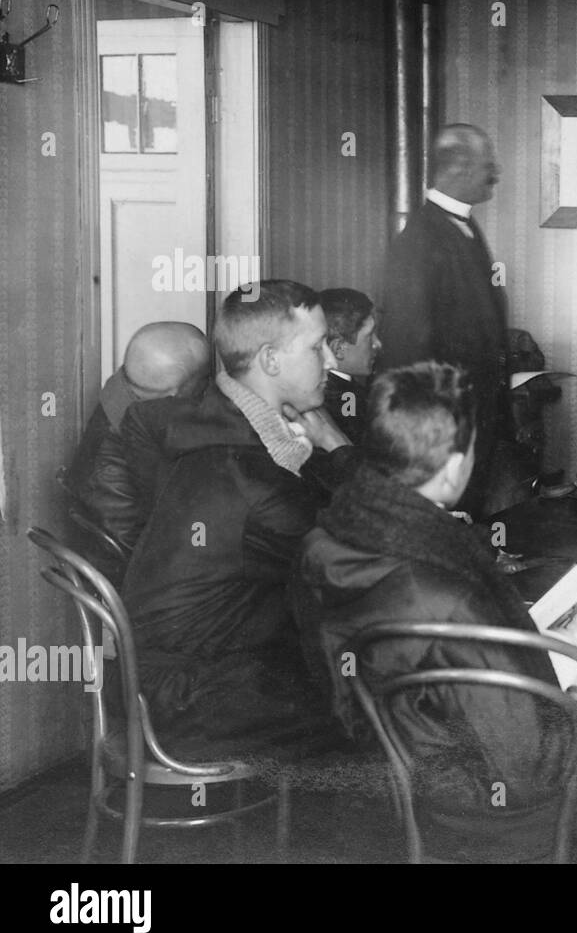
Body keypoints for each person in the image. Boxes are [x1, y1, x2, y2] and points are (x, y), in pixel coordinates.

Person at [291, 361, 564, 811]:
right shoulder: (450, 595)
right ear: (455, 467)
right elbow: (528, 767)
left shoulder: (320, 541)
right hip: (471, 806)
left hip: (378, 775)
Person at [120, 281, 355, 750]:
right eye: (317, 347)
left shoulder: (217, 426)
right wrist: (342, 451)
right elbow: (364, 558)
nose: (332, 361)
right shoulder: (255, 475)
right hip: (192, 696)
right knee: (382, 691)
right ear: (269, 361)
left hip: (169, 671)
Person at [376, 123, 505, 517]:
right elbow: (407, 347)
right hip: (443, 427)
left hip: (470, 419)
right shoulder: (419, 240)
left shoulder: (463, 226)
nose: (495, 173)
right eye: (488, 164)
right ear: (461, 167)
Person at [64, 321, 210, 555]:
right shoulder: (113, 461)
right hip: (136, 573)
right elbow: (138, 552)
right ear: (177, 393)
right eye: (205, 379)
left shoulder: (124, 392)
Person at [319, 288, 382, 444]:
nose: (378, 344)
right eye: (369, 337)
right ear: (339, 348)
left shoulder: (344, 390)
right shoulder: (345, 397)